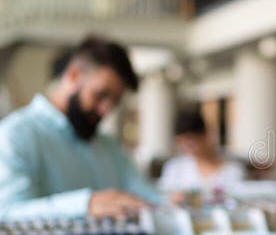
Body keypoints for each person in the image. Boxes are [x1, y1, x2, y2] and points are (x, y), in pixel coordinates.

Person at [0, 35, 160, 220]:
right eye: (100, 94)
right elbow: (7, 213)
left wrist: (168, 201)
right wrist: (85, 204)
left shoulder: (109, 146)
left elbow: (145, 196)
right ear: (74, 75)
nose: (106, 109)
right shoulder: (16, 134)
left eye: (114, 101)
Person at [158, 109, 245, 199]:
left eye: (190, 142)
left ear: (205, 135)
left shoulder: (233, 170)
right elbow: (163, 198)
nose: (186, 148)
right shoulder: (175, 168)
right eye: (181, 143)